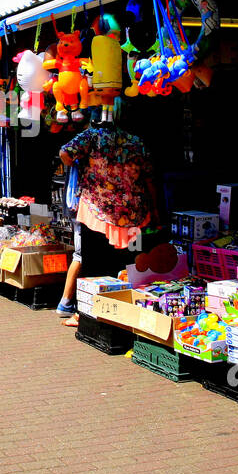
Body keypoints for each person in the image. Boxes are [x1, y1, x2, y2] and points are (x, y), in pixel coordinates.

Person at [53, 122, 156, 326]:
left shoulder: (91, 136)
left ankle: (86, 313)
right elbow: (148, 174)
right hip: (131, 210)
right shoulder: (136, 141)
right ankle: (124, 310)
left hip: (98, 208)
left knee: (92, 263)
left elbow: (65, 153)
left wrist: (76, 166)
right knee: (125, 263)